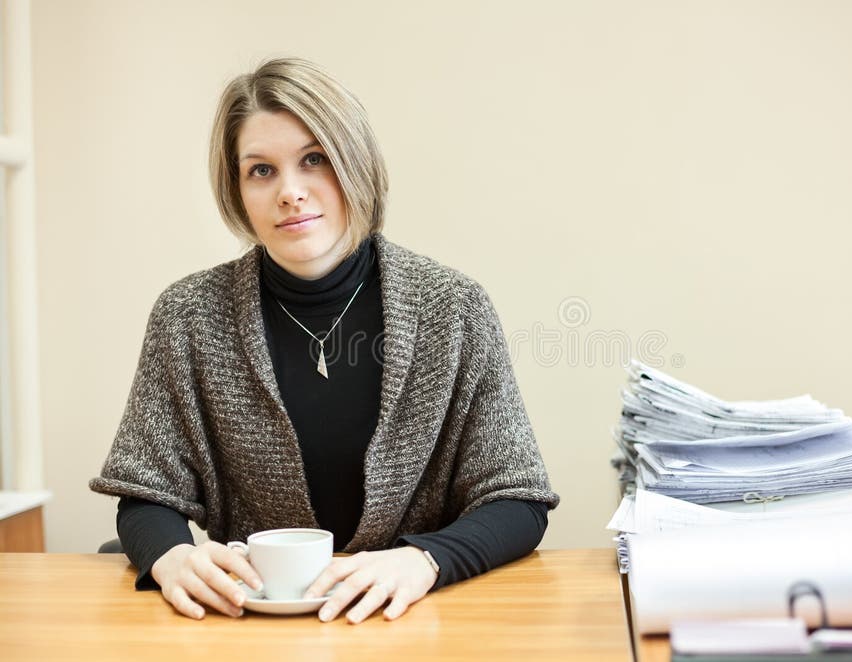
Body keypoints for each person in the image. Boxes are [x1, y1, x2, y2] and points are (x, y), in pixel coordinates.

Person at [90, 57, 558, 624]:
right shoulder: (188, 315)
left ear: (355, 167)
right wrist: (171, 557)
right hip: (250, 627)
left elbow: (518, 497)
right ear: (237, 190)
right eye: (261, 171)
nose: (290, 192)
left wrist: (424, 561)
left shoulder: (453, 308)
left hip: (410, 621)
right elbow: (146, 494)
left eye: (314, 160)